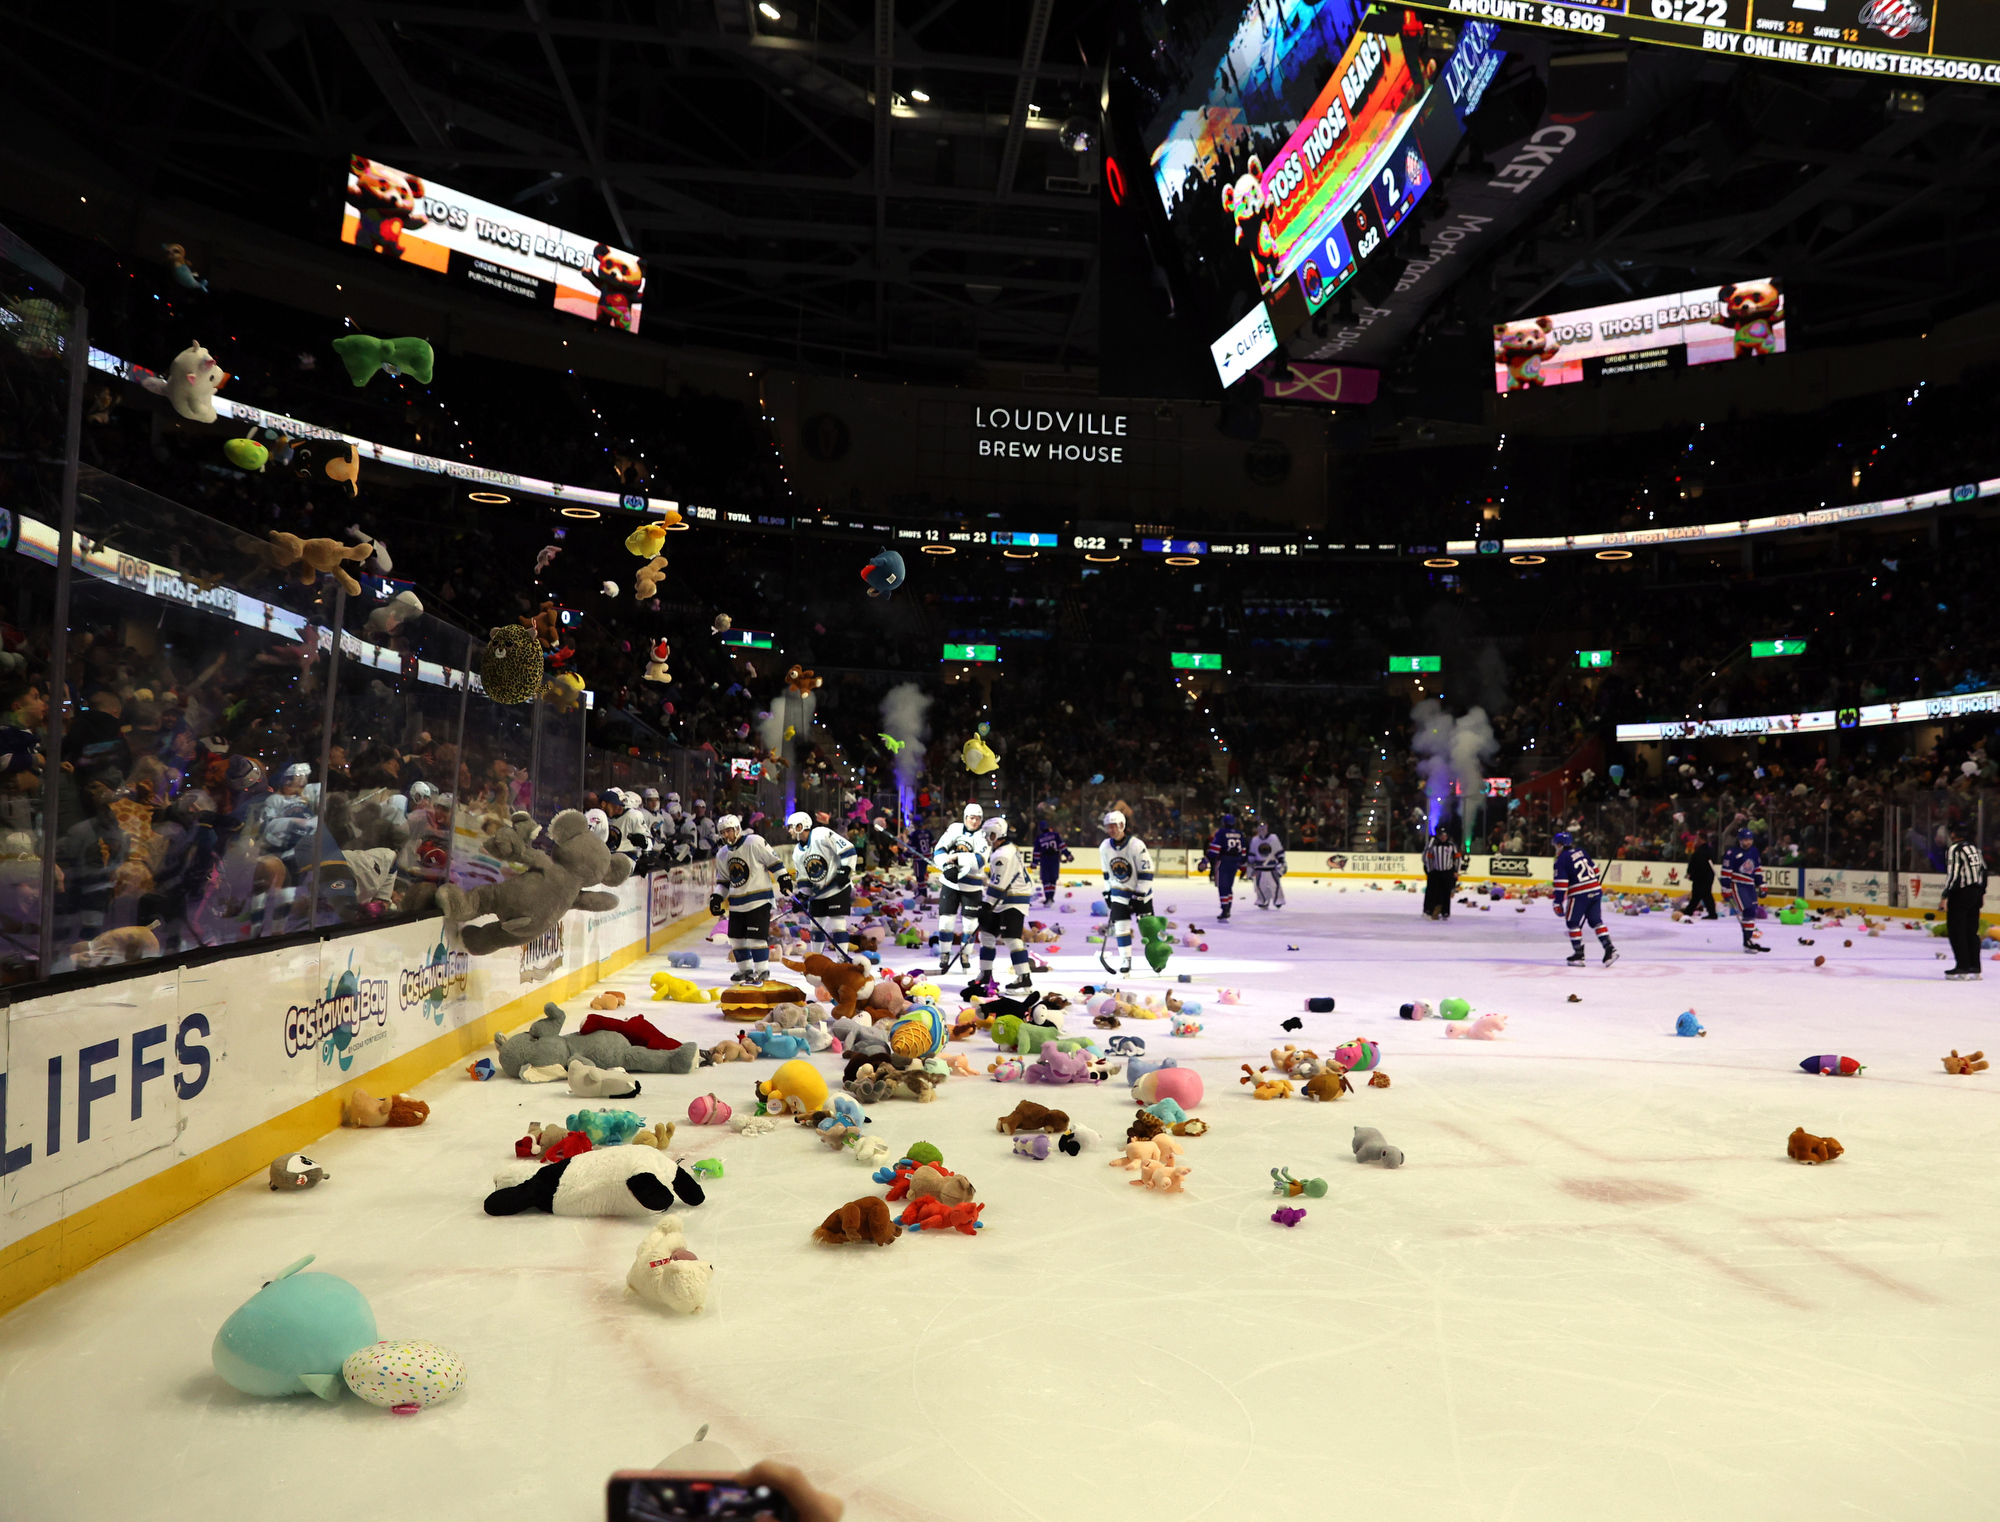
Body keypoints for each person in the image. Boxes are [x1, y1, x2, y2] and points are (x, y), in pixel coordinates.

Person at [709, 813, 791, 985]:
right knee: (736, 939)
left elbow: (774, 862)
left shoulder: (754, 842)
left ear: (737, 829)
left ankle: (762, 972)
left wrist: (783, 879)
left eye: (729, 831)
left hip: (759, 899)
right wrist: (716, 898)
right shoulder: (723, 854)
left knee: (756, 939)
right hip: (737, 903)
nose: (725, 835)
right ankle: (745, 970)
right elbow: (723, 882)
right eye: (722, 832)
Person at [969, 816, 1033, 996]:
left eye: (988, 834)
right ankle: (985, 974)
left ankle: (1024, 977)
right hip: (1005, 897)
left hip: (1014, 898)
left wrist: (985, 906)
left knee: (1012, 938)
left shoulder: (1002, 855)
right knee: (987, 935)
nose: (986, 838)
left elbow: (998, 885)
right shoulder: (1006, 849)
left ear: (995, 834)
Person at [786, 809, 858, 954]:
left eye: (791, 827)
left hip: (837, 887)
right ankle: (816, 959)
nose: (789, 831)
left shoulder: (821, 834)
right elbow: (804, 878)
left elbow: (848, 849)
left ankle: (842, 961)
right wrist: (802, 896)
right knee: (816, 926)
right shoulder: (797, 852)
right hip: (818, 891)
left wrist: (845, 869)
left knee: (838, 924)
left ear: (800, 827)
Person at [930, 802, 988, 974]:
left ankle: (965, 955)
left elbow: (979, 860)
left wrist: (954, 859)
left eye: (978, 818)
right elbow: (939, 850)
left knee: (970, 925)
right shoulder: (955, 829)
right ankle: (945, 955)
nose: (975, 822)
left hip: (972, 886)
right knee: (945, 922)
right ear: (965, 818)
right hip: (950, 884)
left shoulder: (983, 835)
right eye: (972, 818)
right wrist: (945, 867)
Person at [1098, 808, 1155, 975]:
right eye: (1108, 827)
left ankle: (1155, 957)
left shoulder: (1136, 845)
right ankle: (1125, 959)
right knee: (1121, 928)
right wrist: (1108, 892)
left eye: (1113, 826)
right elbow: (1107, 872)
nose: (1110, 830)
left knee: (1148, 929)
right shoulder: (1105, 846)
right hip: (1119, 894)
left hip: (1140, 894)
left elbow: (1147, 871)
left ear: (1122, 825)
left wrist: (1140, 894)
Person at [1551, 830, 1618, 967]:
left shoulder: (1561, 860)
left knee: (1573, 922)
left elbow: (1561, 884)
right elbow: (1596, 872)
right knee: (1596, 921)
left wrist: (1557, 901)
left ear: (1560, 844)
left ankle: (1578, 955)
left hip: (1579, 894)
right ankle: (1610, 949)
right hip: (1595, 890)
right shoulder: (1581, 851)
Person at [1944, 818, 1988, 981]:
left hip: (1961, 893)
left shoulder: (1955, 849)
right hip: (1976, 892)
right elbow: (1984, 871)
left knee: (1957, 930)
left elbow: (1954, 875)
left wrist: (1945, 895)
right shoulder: (1974, 848)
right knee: (1971, 930)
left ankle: (1962, 967)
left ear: (1953, 834)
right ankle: (1975, 967)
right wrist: (1981, 892)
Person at [1720, 826, 1769, 953]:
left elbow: (1757, 869)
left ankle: (1748, 941)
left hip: (1750, 886)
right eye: (1745, 840)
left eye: (1750, 839)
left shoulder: (1754, 851)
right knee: (1747, 910)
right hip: (1737, 885)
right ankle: (1747, 942)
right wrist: (1726, 889)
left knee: (1752, 912)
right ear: (1739, 840)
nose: (1748, 842)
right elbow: (1726, 873)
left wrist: (1762, 884)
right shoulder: (1732, 853)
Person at [1202, 812, 1246, 921]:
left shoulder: (1221, 833)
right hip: (1235, 862)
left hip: (1224, 861)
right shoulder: (1239, 833)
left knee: (1222, 886)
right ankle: (1228, 906)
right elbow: (1244, 850)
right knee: (1229, 886)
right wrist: (1242, 862)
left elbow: (1214, 850)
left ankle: (1225, 909)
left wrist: (1206, 860)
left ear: (1224, 822)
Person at [1422, 826, 1460, 920]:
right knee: (1433, 892)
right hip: (1436, 872)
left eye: (1444, 835)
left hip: (1447, 872)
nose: (1443, 837)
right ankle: (1430, 910)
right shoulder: (1434, 845)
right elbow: (1429, 858)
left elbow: (1458, 858)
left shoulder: (1452, 846)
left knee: (1446, 893)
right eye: (1441, 835)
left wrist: (1456, 871)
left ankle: (1445, 912)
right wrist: (1430, 870)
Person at [1031, 816, 1070, 906]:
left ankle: (1048, 898)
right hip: (1055, 860)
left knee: (1046, 880)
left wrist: (1034, 863)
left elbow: (1036, 853)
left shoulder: (1038, 839)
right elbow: (1062, 846)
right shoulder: (1055, 835)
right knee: (1053, 880)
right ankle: (1051, 898)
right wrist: (1068, 855)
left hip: (1045, 861)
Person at [1249, 819, 1287, 909]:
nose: (1262, 830)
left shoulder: (1273, 838)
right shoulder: (1254, 840)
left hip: (1271, 867)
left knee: (1275, 885)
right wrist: (1250, 863)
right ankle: (1262, 900)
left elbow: (1278, 851)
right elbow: (1252, 853)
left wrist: (1281, 861)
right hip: (1259, 867)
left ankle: (1278, 900)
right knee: (1259, 885)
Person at [1685, 831, 1718, 919]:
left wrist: (1692, 875)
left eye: (1697, 838)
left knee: (1700, 895)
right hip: (1706, 876)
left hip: (1701, 877)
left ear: (1700, 839)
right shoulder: (1708, 849)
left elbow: (1698, 864)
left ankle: (1689, 912)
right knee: (1701, 895)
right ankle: (1689, 911)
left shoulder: (1701, 850)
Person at [907, 816, 935, 902]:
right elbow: (934, 843)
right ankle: (923, 893)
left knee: (920, 877)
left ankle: (922, 894)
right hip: (927, 857)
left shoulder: (914, 834)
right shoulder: (928, 832)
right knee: (922, 875)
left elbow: (912, 848)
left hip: (918, 858)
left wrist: (903, 856)